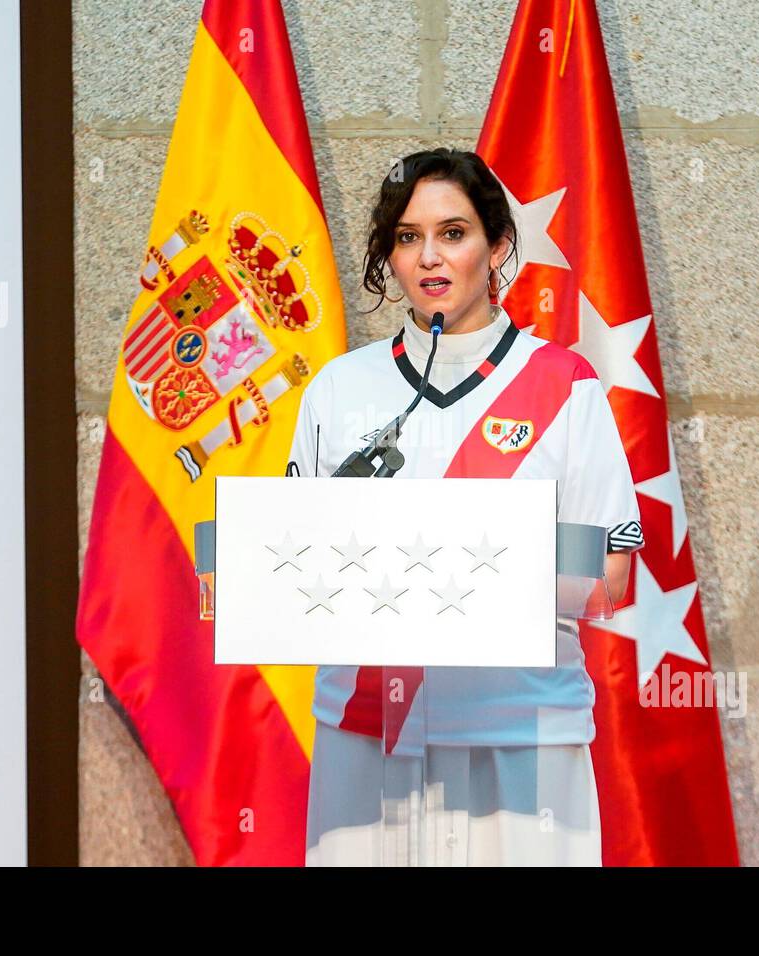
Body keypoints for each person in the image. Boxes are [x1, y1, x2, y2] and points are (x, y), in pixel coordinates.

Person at [286, 147, 644, 866]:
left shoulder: (564, 386)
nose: (429, 258)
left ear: (498, 244)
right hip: (368, 729)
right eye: (408, 237)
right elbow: (292, 563)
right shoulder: (338, 388)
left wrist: (469, 569)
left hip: (519, 735)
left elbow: (610, 575)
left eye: (454, 233)